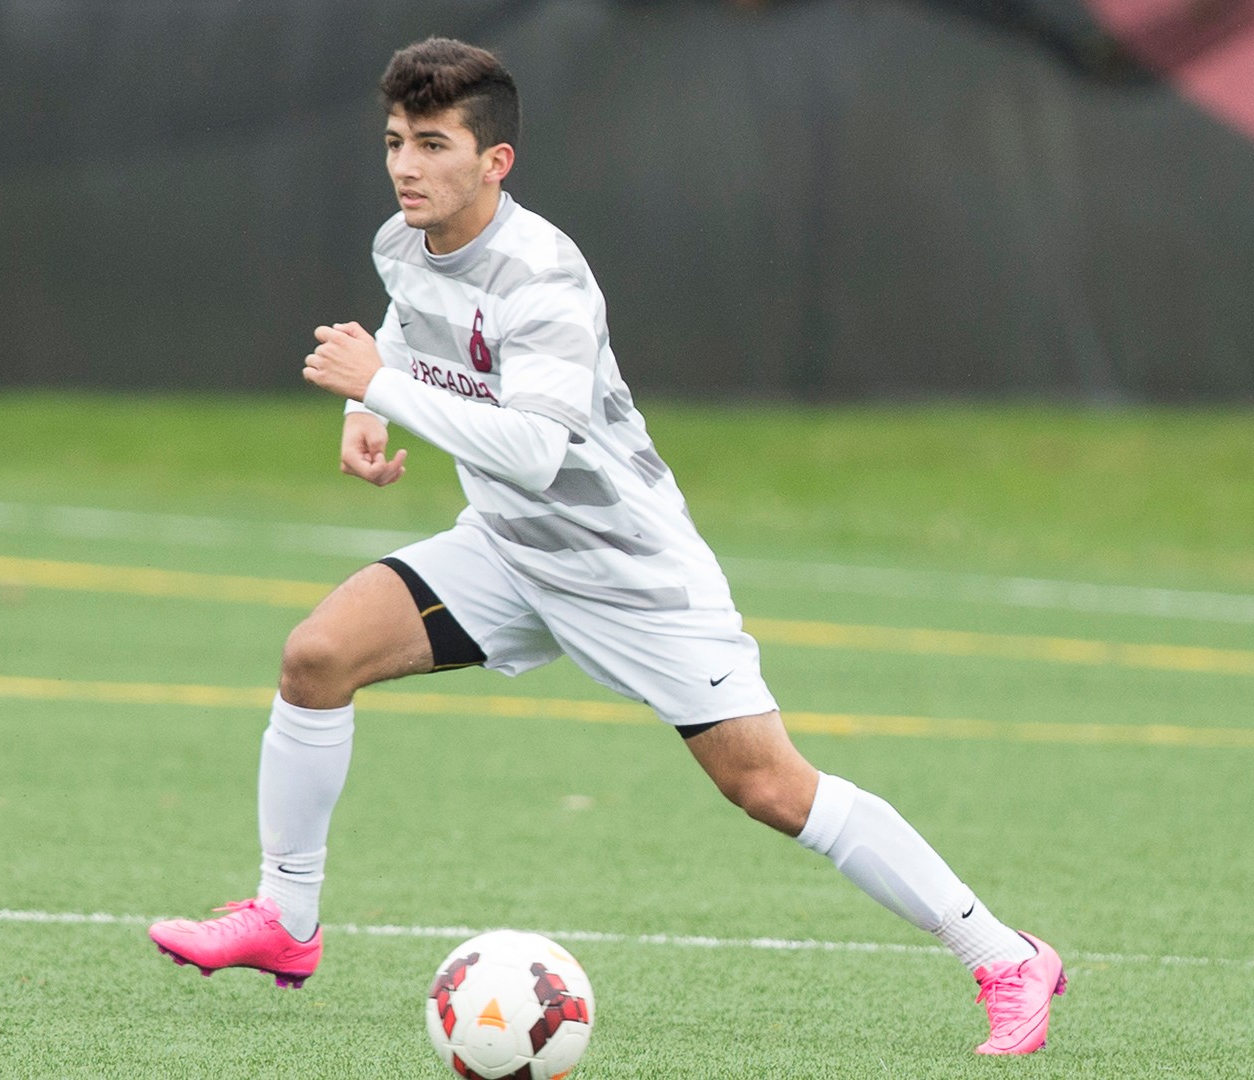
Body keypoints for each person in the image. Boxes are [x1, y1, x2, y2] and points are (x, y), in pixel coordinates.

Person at [148, 36, 1064, 1056]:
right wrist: (372, 408)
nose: (407, 165)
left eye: (435, 144)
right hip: (508, 551)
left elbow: (536, 451)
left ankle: (1005, 955)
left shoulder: (545, 276)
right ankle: (286, 919)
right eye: (397, 140)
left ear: (495, 162)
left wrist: (382, 388)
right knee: (316, 657)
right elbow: (413, 326)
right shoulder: (401, 242)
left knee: (769, 786)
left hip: (628, 571)